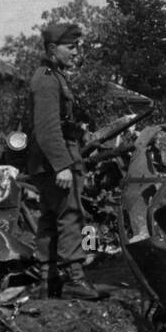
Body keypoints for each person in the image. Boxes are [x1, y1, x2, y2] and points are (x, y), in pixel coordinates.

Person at [27, 22, 102, 300]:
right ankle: (75, 279)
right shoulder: (47, 79)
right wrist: (62, 166)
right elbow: (46, 129)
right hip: (54, 162)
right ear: (52, 48)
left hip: (48, 161)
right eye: (70, 48)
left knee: (49, 217)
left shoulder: (51, 76)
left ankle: (49, 280)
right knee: (71, 215)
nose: (75, 53)